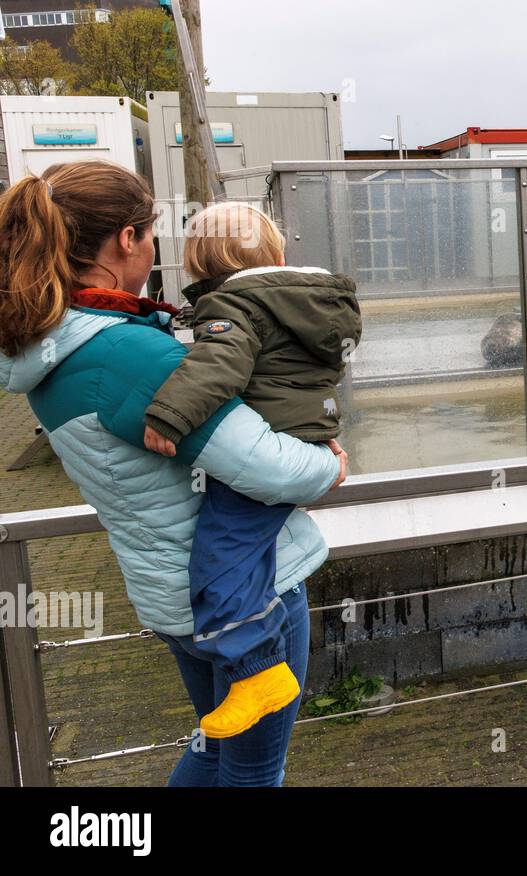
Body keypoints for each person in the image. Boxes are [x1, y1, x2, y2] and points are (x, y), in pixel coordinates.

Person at [0, 162, 346, 786]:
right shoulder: (124, 352)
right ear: (127, 239)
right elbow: (273, 470)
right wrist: (330, 462)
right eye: (152, 234)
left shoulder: (51, 344)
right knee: (254, 772)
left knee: (213, 749)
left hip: (171, 596)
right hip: (246, 598)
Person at [140, 203, 362, 740]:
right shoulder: (305, 299)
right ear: (276, 256)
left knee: (221, 554)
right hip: (305, 429)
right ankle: (253, 668)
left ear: (201, 266)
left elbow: (220, 363)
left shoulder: (234, 305)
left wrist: (169, 415)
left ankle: (255, 670)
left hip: (273, 436)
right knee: (245, 549)